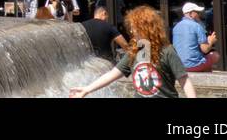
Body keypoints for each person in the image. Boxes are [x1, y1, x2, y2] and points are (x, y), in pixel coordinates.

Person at [70, 5, 198, 98]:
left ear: (146, 28)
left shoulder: (167, 51)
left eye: (134, 28)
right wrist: (87, 89)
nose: (131, 31)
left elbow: (184, 80)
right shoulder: (136, 51)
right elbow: (112, 75)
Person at [172, 1, 219, 72]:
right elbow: (205, 49)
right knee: (215, 55)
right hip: (193, 65)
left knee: (205, 60)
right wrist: (211, 41)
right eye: (197, 12)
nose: (199, 14)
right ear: (191, 14)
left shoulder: (176, 27)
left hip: (179, 66)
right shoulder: (197, 26)